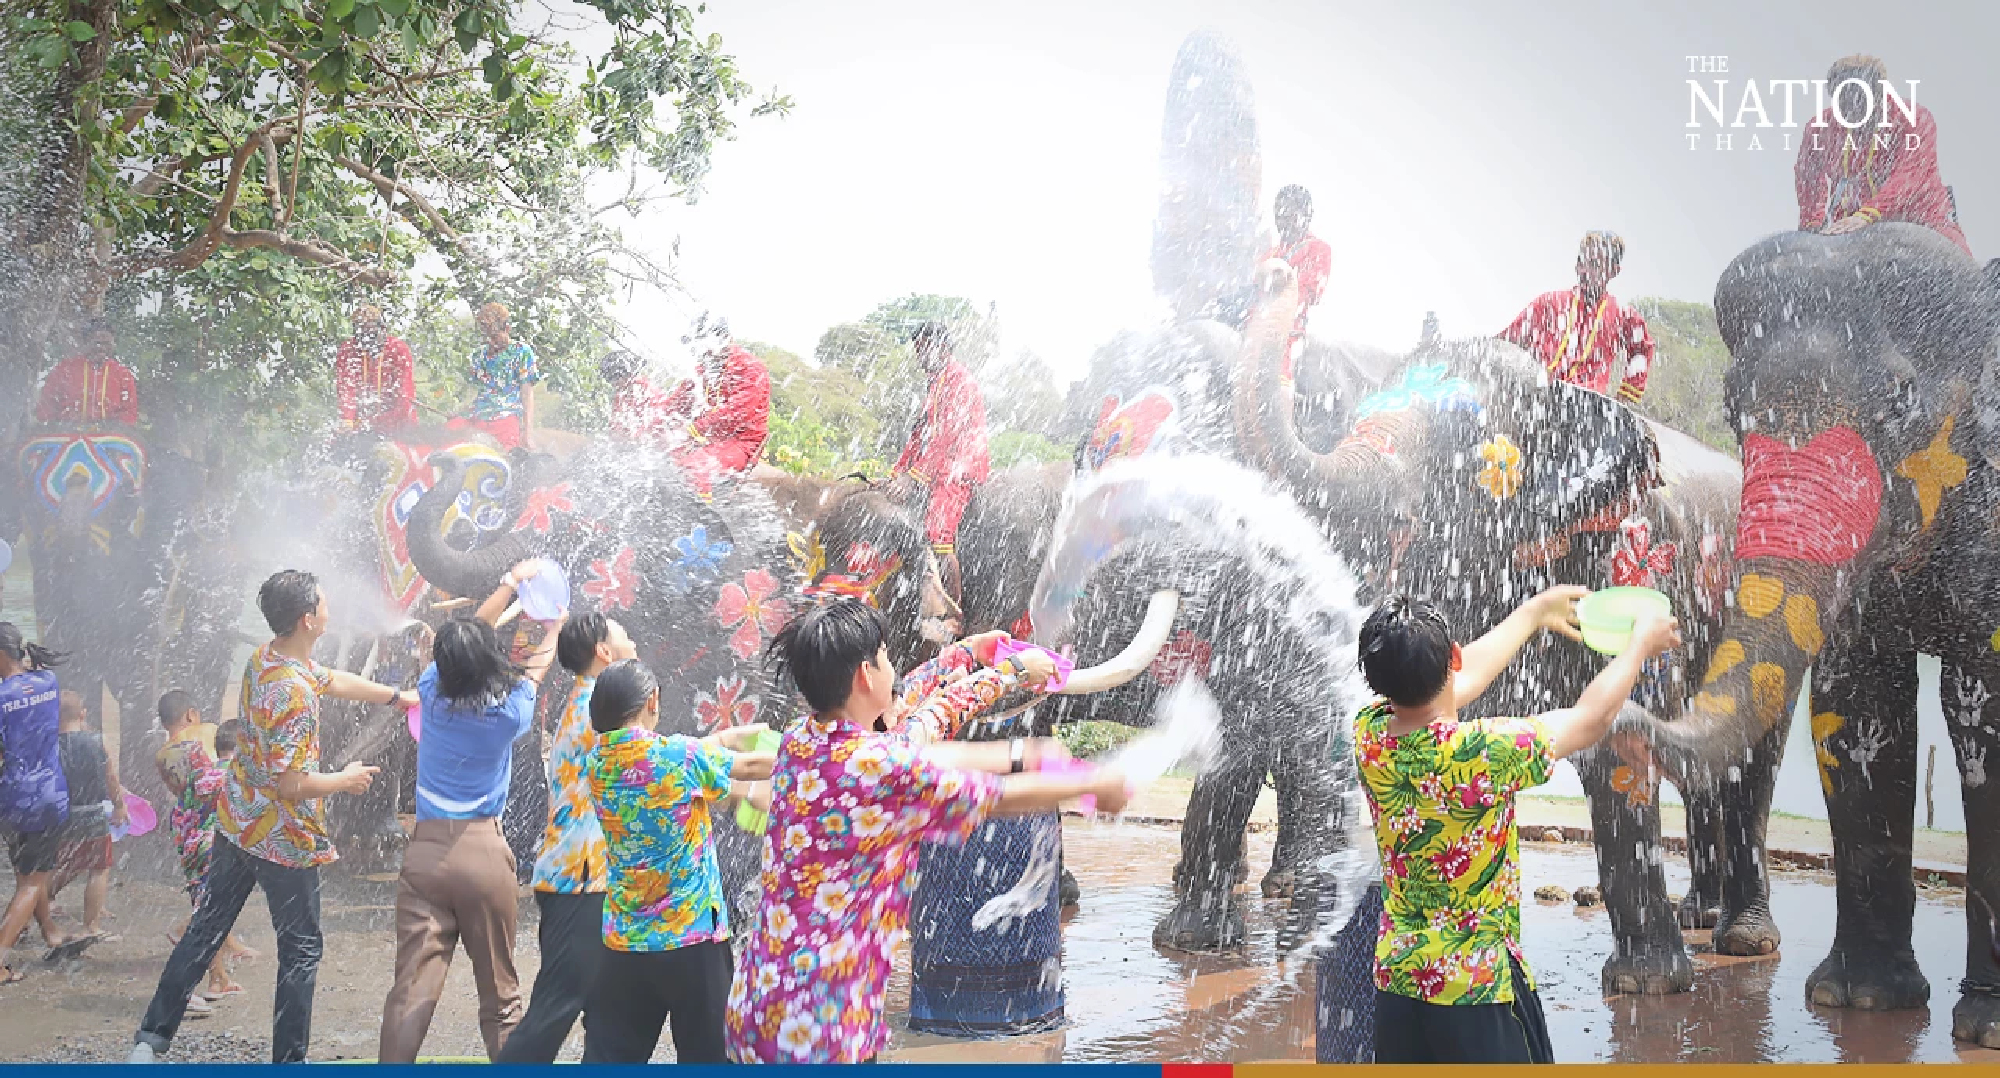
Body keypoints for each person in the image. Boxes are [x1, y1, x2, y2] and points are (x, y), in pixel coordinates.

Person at [724, 599, 1131, 1063]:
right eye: (884, 656)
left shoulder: (803, 739)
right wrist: (1089, 784)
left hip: (759, 1008)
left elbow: (919, 722)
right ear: (864, 674)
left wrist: (962, 658)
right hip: (822, 1032)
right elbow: (991, 796)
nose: (893, 668)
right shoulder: (879, 766)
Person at [1352, 590, 1680, 1063]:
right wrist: (1639, 647)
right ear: (1454, 658)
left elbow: (1451, 690)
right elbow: (1591, 719)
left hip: (1399, 980)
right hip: (1478, 991)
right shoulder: (1485, 752)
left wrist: (1533, 614)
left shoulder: (1370, 734)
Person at [129, 570, 419, 1064]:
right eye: (324, 603)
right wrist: (346, 779)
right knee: (301, 950)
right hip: (284, 839)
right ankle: (289, 1061)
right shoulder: (296, 695)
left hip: (239, 821)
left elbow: (330, 678)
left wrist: (394, 696)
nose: (331, 607)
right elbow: (292, 784)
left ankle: (150, 1040)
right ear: (308, 618)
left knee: (206, 929)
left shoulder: (266, 659)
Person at [378, 562, 561, 1063]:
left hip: (425, 854)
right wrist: (554, 624)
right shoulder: (507, 714)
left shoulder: (432, 691)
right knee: (500, 997)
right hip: (484, 854)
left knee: (411, 991)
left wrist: (505, 584)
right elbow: (536, 669)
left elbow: (470, 637)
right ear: (488, 660)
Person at [579, 660, 775, 1064]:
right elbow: (751, 766)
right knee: (708, 1059)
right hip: (692, 940)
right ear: (652, 700)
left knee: (610, 1057)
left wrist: (726, 737)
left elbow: (686, 752)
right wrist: (813, 750)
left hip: (626, 938)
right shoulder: (677, 758)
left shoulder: (597, 761)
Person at [497, 610, 636, 1063]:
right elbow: (650, 762)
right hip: (580, 881)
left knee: (609, 1010)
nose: (631, 641)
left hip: (591, 878)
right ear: (603, 651)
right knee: (557, 1007)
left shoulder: (586, 702)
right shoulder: (597, 710)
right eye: (623, 636)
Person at [1794, 55, 1969, 256]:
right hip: (1850, 223)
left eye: (1860, 100)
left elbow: (1910, 176)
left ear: (1879, 94)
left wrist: (1868, 214)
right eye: (1844, 102)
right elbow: (1808, 177)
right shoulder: (1820, 128)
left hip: (1924, 221)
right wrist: (1812, 224)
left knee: (1959, 258)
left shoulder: (1913, 119)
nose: (1852, 111)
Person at [155, 693, 250, 1011]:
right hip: (214, 832)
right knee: (208, 912)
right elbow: (229, 764)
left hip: (187, 832)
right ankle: (187, 981)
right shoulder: (209, 731)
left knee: (206, 901)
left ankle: (219, 979)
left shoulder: (163, 755)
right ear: (191, 714)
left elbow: (182, 792)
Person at [887, 322, 990, 603]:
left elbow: (945, 437)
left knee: (937, 535)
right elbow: (919, 434)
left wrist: (912, 478)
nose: (920, 360)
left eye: (923, 351)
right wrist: (896, 474)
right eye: (917, 352)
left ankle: (953, 614)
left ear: (942, 349)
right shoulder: (936, 382)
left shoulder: (959, 381)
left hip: (960, 467)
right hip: (938, 467)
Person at [1499, 231, 1656, 405]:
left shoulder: (1623, 316)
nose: (1584, 271)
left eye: (1594, 265)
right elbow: (1505, 343)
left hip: (1584, 410)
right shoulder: (1549, 302)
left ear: (1613, 271)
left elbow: (1642, 350)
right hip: (1536, 398)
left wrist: (1622, 400)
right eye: (1581, 263)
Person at [0, 624, 72, 986]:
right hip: (49, 793)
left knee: (27, 876)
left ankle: (50, 933)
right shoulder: (48, 683)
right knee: (32, 879)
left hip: (13, 798)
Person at [43, 691, 128, 944]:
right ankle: (91, 926)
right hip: (91, 813)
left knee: (65, 863)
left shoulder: (49, 744)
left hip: (61, 814)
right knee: (99, 868)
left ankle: (40, 902)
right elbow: (111, 777)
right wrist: (119, 806)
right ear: (83, 714)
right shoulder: (95, 741)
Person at [658, 315, 771, 497]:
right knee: (662, 461)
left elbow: (735, 414)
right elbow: (678, 401)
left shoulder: (750, 369)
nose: (699, 351)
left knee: (695, 467)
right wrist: (660, 418)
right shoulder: (705, 368)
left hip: (741, 442)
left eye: (702, 344)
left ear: (723, 339)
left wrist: (692, 430)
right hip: (709, 439)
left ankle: (701, 521)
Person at [451, 301, 540, 450]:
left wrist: (527, 432)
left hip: (506, 417)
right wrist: (459, 413)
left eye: (495, 336)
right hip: (477, 415)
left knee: (505, 455)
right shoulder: (478, 355)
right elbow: (478, 391)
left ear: (507, 329)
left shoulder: (522, 352)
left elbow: (527, 394)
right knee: (446, 437)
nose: (490, 341)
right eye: (487, 336)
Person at [1261, 184, 1334, 354]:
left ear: (1306, 216)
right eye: (1279, 214)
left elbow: (1309, 291)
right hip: (1258, 328)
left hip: (1290, 333)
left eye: (1289, 214)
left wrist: (1277, 291)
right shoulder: (1271, 254)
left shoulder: (1318, 249)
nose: (1283, 221)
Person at [34, 319, 140, 427]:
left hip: (110, 439)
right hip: (65, 437)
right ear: (86, 342)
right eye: (97, 343)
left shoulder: (122, 374)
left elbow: (129, 413)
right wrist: (55, 427)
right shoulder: (64, 370)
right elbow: (46, 408)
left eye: (107, 344)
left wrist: (113, 428)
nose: (102, 348)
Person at [334, 304, 418, 434]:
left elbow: (405, 395)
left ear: (383, 329)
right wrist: (347, 419)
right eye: (361, 336)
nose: (367, 342)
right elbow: (346, 390)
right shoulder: (348, 351)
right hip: (359, 426)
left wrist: (377, 424)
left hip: (397, 426)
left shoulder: (398, 349)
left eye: (372, 335)